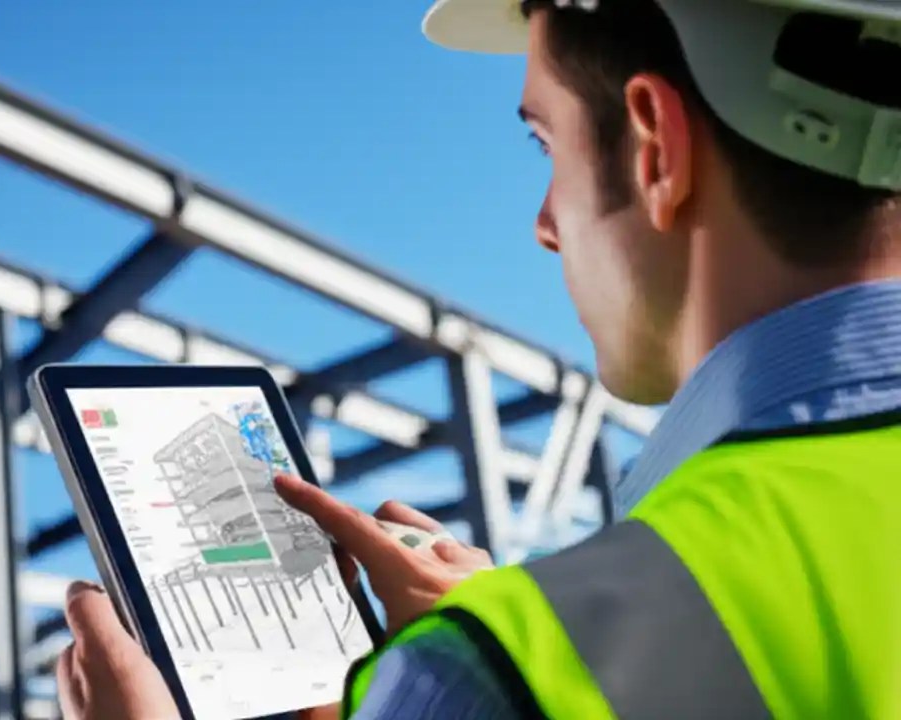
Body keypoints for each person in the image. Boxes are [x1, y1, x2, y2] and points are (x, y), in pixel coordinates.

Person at [56, 0, 901, 717]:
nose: (543, 222)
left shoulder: (495, 674)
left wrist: (482, 658)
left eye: (547, 144)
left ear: (655, 150)